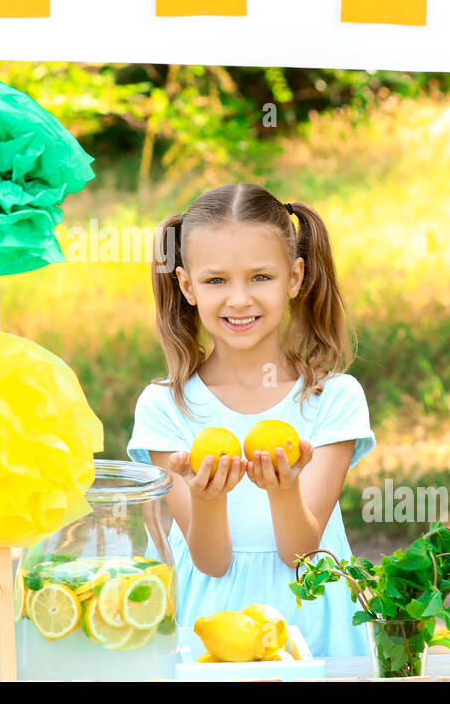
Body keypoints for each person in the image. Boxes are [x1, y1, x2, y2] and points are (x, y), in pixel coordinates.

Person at [126, 183, 375, 659]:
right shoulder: (163, 408)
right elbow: (211, 562)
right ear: (186, 286)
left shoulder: (333, 399)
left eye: (261, 276)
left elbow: (301, 556)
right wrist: (209, 499)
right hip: (211, 624)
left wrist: (283, 488)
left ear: (295, 278)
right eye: (216, 280)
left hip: (311, 621)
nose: (238, 300)